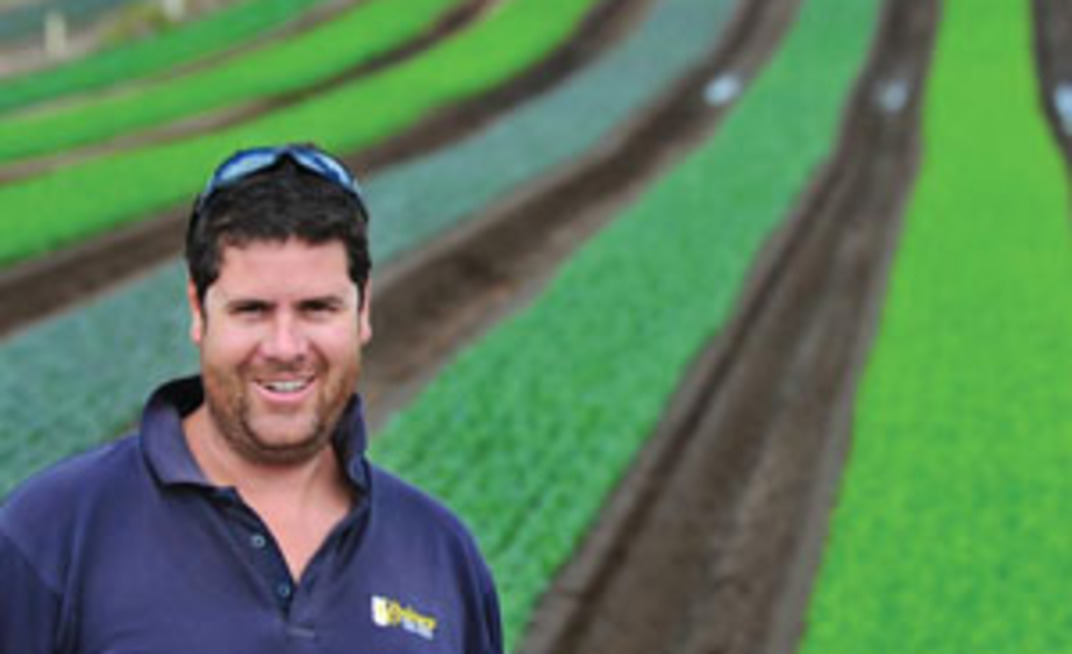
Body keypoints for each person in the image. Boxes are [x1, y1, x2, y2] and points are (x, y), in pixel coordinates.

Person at [0, 144, 503, 653]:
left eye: (317, 308)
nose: (285, 347)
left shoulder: (440, 556)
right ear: (199, 310)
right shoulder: (52, 535)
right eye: (253, 310)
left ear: (362, 309)